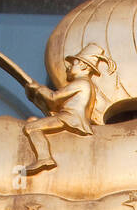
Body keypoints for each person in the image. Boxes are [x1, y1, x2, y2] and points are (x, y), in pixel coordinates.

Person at [22, 43, 113, 173]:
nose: (68, 67)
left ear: (83, 66)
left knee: (30, 127)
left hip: (69, 118)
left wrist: (40, 89)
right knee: (32, 121)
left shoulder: (81, 83)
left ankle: (44, 158)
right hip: (66, 117)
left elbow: (53, 97)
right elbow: (53, 104)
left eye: (74, 63)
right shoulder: (83, 83)